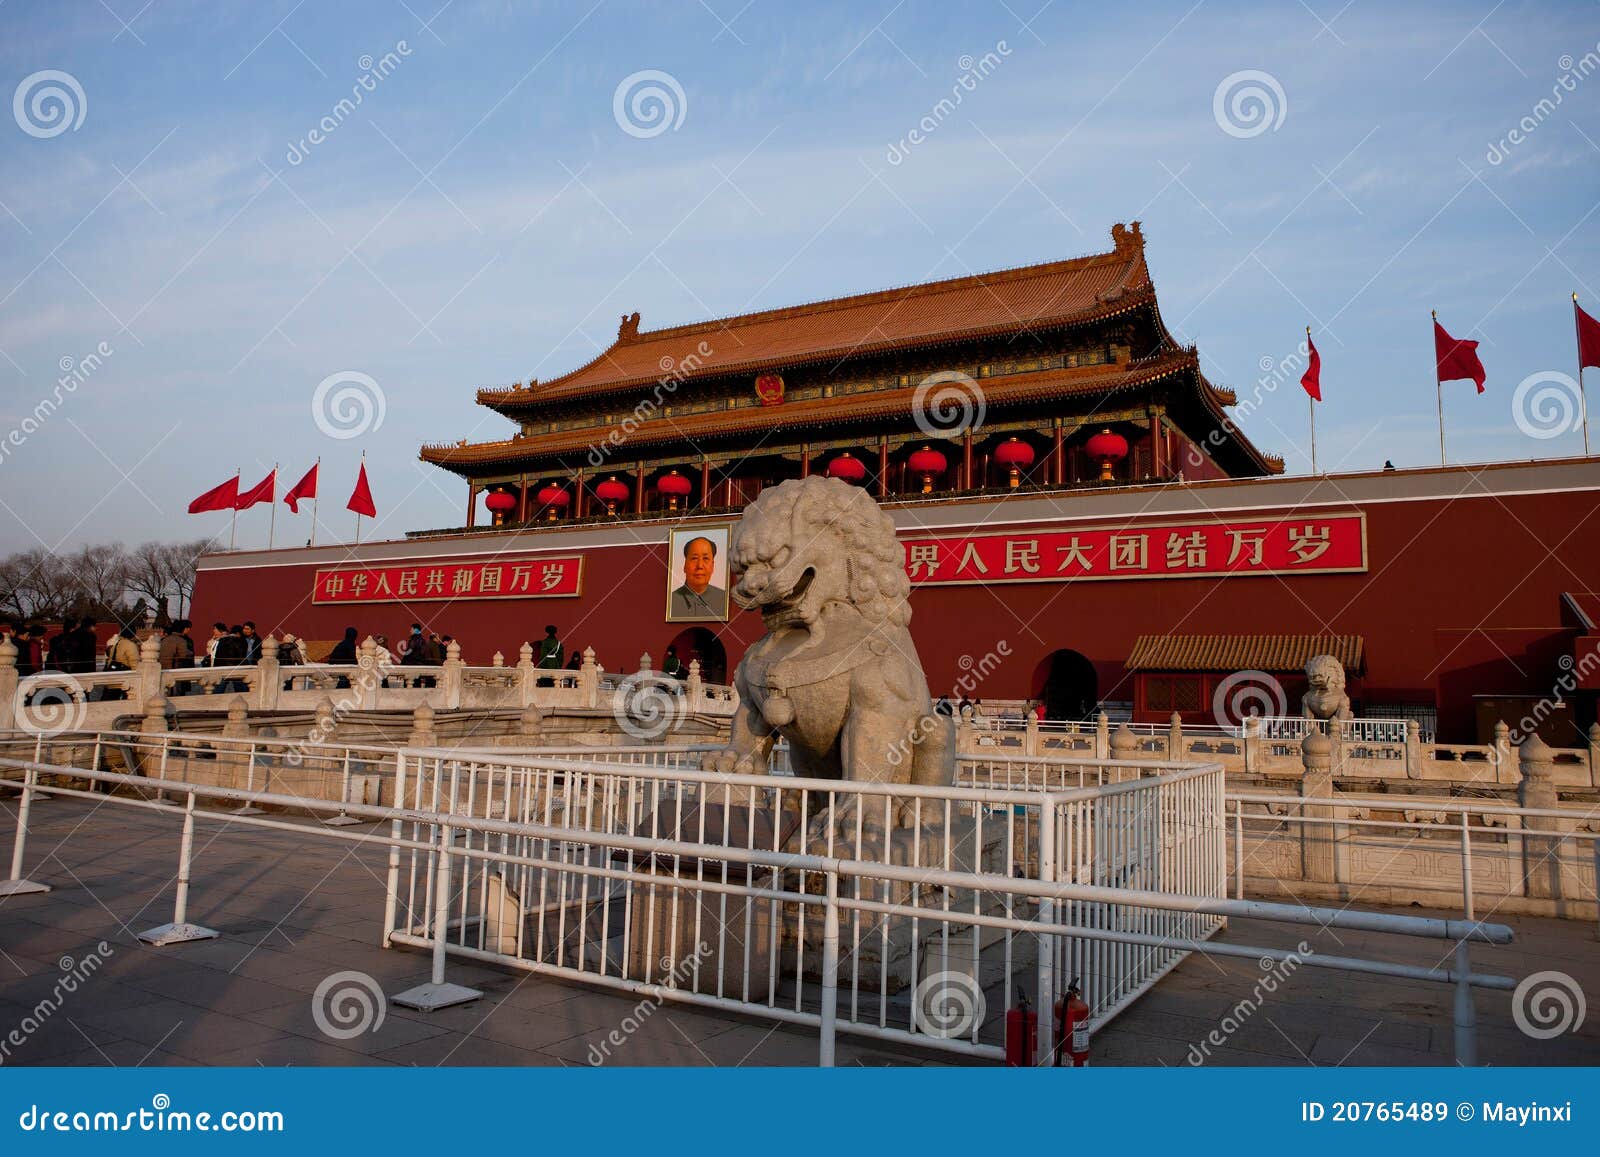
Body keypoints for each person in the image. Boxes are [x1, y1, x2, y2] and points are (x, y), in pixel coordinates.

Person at [670, 536, 727, 620]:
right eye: (694, 558)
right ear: (685, 565)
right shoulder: (671, 602)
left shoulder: (724, 599)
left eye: (706, 558)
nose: (700, 566)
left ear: (712, 566)